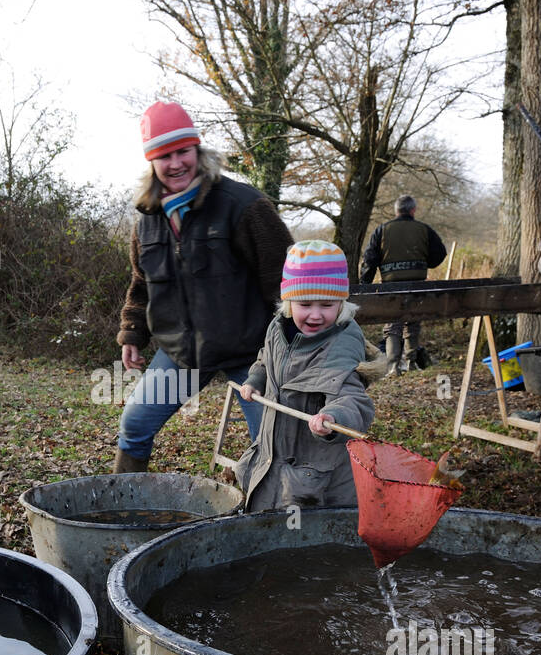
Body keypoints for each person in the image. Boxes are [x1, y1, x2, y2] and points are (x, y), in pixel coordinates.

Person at [115, 101, 293, 472]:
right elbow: (141, 282)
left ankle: (275, 519)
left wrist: (294, 344)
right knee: (134, 426)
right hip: (182, 353)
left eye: (183, 151)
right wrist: (132, 333)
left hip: (252, 352)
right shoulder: (147, 222)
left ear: (198, 150)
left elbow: (285, 281)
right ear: (152, 162)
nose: (176, 163)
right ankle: (123, 515)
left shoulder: (244, 205)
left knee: (274, 443)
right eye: (165, 155)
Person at [235, 241, 375, 511]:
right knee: (272, 526)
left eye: (326, 304)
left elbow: (353, 399)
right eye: (305, 303)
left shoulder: (341, 348)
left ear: (341, 303)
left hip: (317, 479)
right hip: (273, 458)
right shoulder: (278, 330)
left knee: (306, 538)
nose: (315, 314)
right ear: (288, 301)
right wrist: (255, 380)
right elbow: (266, 359)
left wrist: (333, 417)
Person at [359, 194, 447, 376]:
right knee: (413, 321)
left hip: (391, 284)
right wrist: (425, 263)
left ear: (396, 210)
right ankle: (411, 362)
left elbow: (369, 259)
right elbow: (440, 253)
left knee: (393, 324)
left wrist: (365, 283)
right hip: (417, 283)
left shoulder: (382, 230)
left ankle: (392, 367)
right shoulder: (424, 229)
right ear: (413, 210)